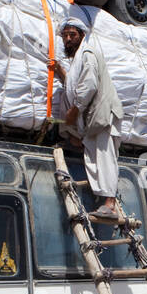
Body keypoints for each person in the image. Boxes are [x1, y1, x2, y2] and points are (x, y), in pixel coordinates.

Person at [58, 16, 123, 221]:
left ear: (82, 35)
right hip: (92, 120)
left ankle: (110, 203)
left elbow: (89, 84)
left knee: (104, 157)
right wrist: (60, 73)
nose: (68, 39)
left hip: (102, 115)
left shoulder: (88, 53)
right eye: (65, 35)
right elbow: (75, 84)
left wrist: (74, 110)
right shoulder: (78, 60)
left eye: (72, 35)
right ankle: (104, 201)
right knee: (94, 158)